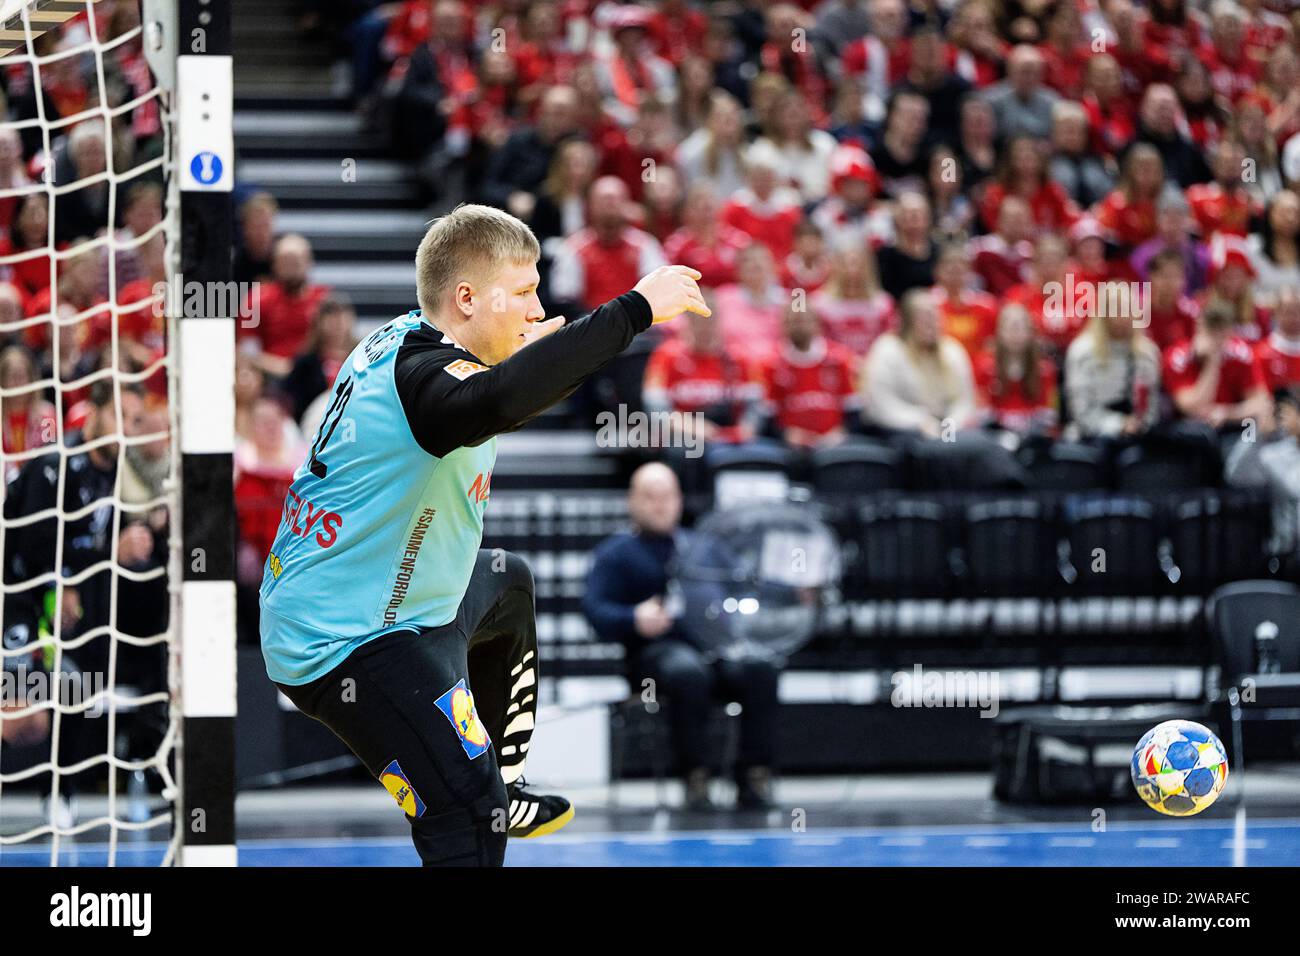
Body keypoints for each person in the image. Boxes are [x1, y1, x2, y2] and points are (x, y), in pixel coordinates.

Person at [258, 204, 709, 866]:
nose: (536, 309)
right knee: (469, 810)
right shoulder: (422, 379)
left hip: (399, 604)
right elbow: (492, 401)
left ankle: (509, 777)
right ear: (467, 298)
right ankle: (490, 793)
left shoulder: (416, 344)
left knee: (506, 581)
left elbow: (504, 389)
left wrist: (550, 352)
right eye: (523, 293)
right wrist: (634, 310)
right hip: (344, 638)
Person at [583, 462, 779, 811]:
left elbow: (739, 589)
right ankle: (695, 779)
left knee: (760, 668)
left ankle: (754, 778)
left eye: (668, 496)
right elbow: (594, 611)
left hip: (714, 651)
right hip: (653, 658)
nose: (660, 505)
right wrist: (633, 618)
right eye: (650, 497)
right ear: (633, 501)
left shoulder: (702, 547)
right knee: (687, 673)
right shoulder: (614, 553)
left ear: (679, 500)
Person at [861, 288, 976, 437]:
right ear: (907, 321)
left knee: (974, 445)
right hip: (900, 431)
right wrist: (920, 421)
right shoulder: (888, 349)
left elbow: (963, 401)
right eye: (924, 317)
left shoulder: (952, 350)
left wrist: (949, 427)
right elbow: (880, 404)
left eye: (935, 316)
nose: (932, 322)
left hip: (947, 429)